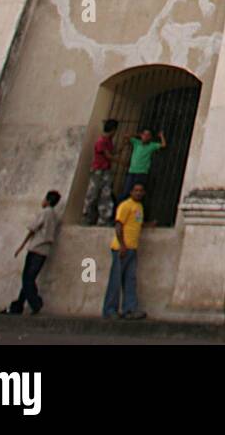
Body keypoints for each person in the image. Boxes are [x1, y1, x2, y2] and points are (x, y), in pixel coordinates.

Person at [0, 190, 61, 316]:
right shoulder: (55, 215)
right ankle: (18, 306)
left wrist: (21, 246)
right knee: (30, 278)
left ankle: (35, 302)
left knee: (27, 279)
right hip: (45, 250)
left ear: (48, 200)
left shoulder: (44, 213)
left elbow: (33, 229)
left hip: (36, 248)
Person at [103, 181, 147, 320]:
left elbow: (137, 224)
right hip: (121, 248)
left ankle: (130, 308)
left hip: (132, 248)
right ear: (131, 192)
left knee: (130, 279)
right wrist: (122, 245)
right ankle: (110, 310)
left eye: (141, 190)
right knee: (115, 280)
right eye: (136, 190)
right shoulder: (125, 206)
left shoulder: (139, 207)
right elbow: (118, 226)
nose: (138, 193)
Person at [118, 127, 165, 217]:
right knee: (126, 192)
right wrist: (137, 135)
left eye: (148, 135)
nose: (146, 137)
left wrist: (161, 136)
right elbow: (126, 136)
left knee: (140, 194)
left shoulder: (151, 145)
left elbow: (163, 145)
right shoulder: (136, 142)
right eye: (144, 135)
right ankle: (122, 213)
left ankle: (139, 215)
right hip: (132, 172)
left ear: (150, 137)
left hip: (142, 173)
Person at [83, 118, 119, 226]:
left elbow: (113, 152)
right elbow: (108, 155)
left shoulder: (109, 142)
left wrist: (123, 145)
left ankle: (103, 219)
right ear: (113, 130)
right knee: (92, 194)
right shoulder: (101, 141)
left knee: (105, 194)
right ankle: (87, 217)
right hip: (98, 170)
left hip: (106, 170)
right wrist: (123, 162)